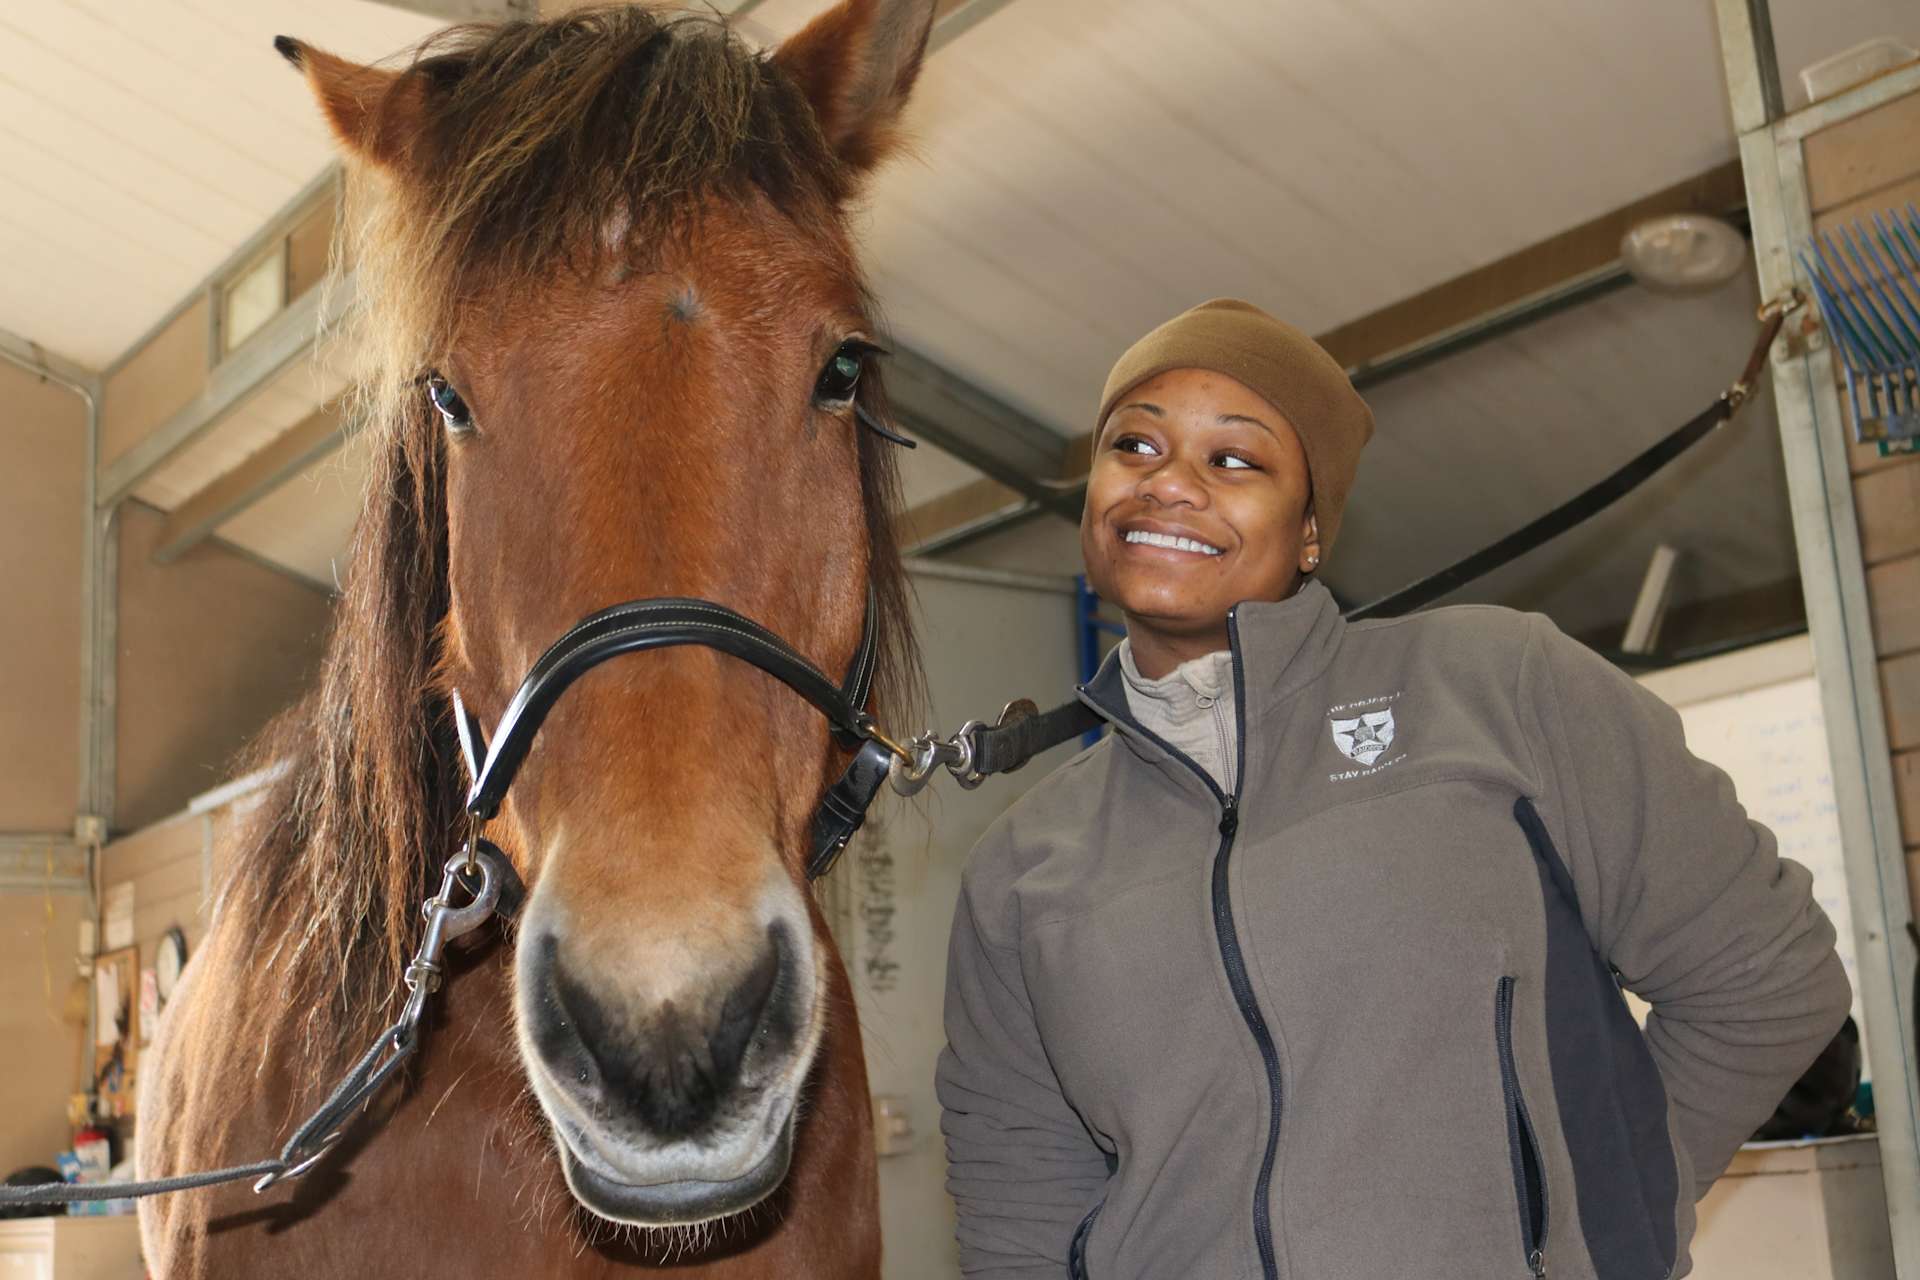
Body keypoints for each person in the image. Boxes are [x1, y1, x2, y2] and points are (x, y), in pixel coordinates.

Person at [934, 298, 1850, 1279]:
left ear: (1313, 528)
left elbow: (1768, 979)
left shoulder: (1498, 686)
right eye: (1135, 445)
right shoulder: (1022, 867)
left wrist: (1594, 1234)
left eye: (1234, 460)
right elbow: (1017, 1201)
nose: (1170, 485)